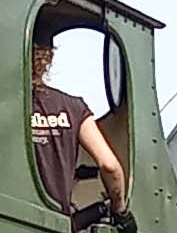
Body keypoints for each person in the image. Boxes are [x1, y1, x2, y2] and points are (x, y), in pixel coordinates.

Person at [29, 40, 131, 216]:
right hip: (55, 227)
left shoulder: (0, 106)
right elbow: (109, 165)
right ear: (49, 58)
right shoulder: (74, 108)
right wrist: (120, 210)